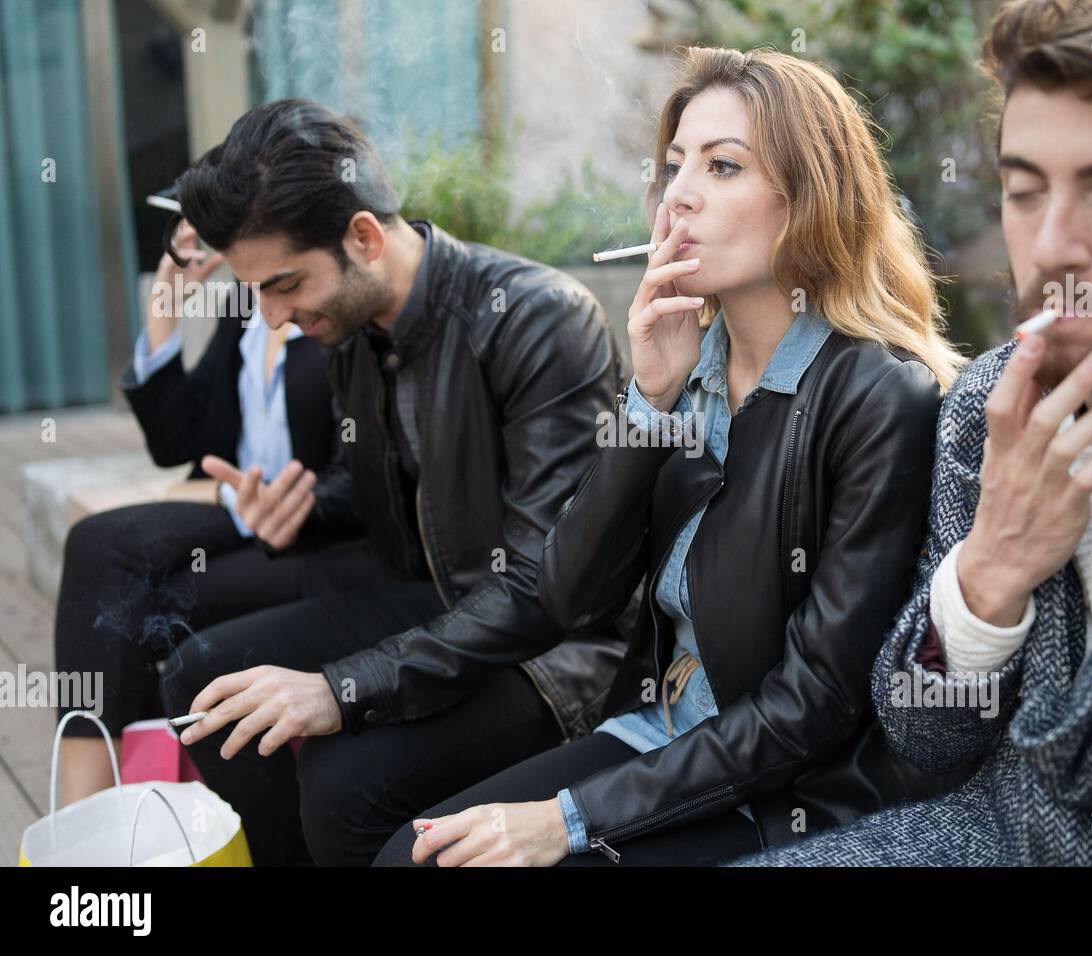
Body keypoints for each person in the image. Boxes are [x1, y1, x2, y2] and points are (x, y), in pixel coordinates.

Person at [373, 46, 969, 868]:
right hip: (657, 731)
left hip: (787, 790)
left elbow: (814, 704)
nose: (678, 193)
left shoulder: (875, 395)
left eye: (724, 167)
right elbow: (571, 593)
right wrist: (649, 404)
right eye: (673, 165)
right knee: (413, 854)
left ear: (811, 198)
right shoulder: (688, 361)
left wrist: (568, 819)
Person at [739, 0, 1092, 867]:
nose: (1052, 245)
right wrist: (990, 573)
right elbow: (926, 743)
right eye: (1024, 189)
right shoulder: (992, 401)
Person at [159, 100, 629, 866]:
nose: (274, 316)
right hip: (446, 600)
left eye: (284, 284)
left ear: (365, 238)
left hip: (556, 649)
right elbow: (384, 492)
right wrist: (303, 511)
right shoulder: (352, 324)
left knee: (348, 780)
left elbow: (546, 588)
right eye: (258, 294)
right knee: (202, 682)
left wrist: (340, 689)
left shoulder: (538, 318)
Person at [54, 217, 379, 806]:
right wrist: (165, 310)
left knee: (121, 575)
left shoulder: (337, 306)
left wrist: (220, 495)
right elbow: (178, 443)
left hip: (312, 534)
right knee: (99, 548)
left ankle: (89, 816)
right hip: (236, 515)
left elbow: (354, 480)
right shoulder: (244, 305)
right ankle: (90, 819)